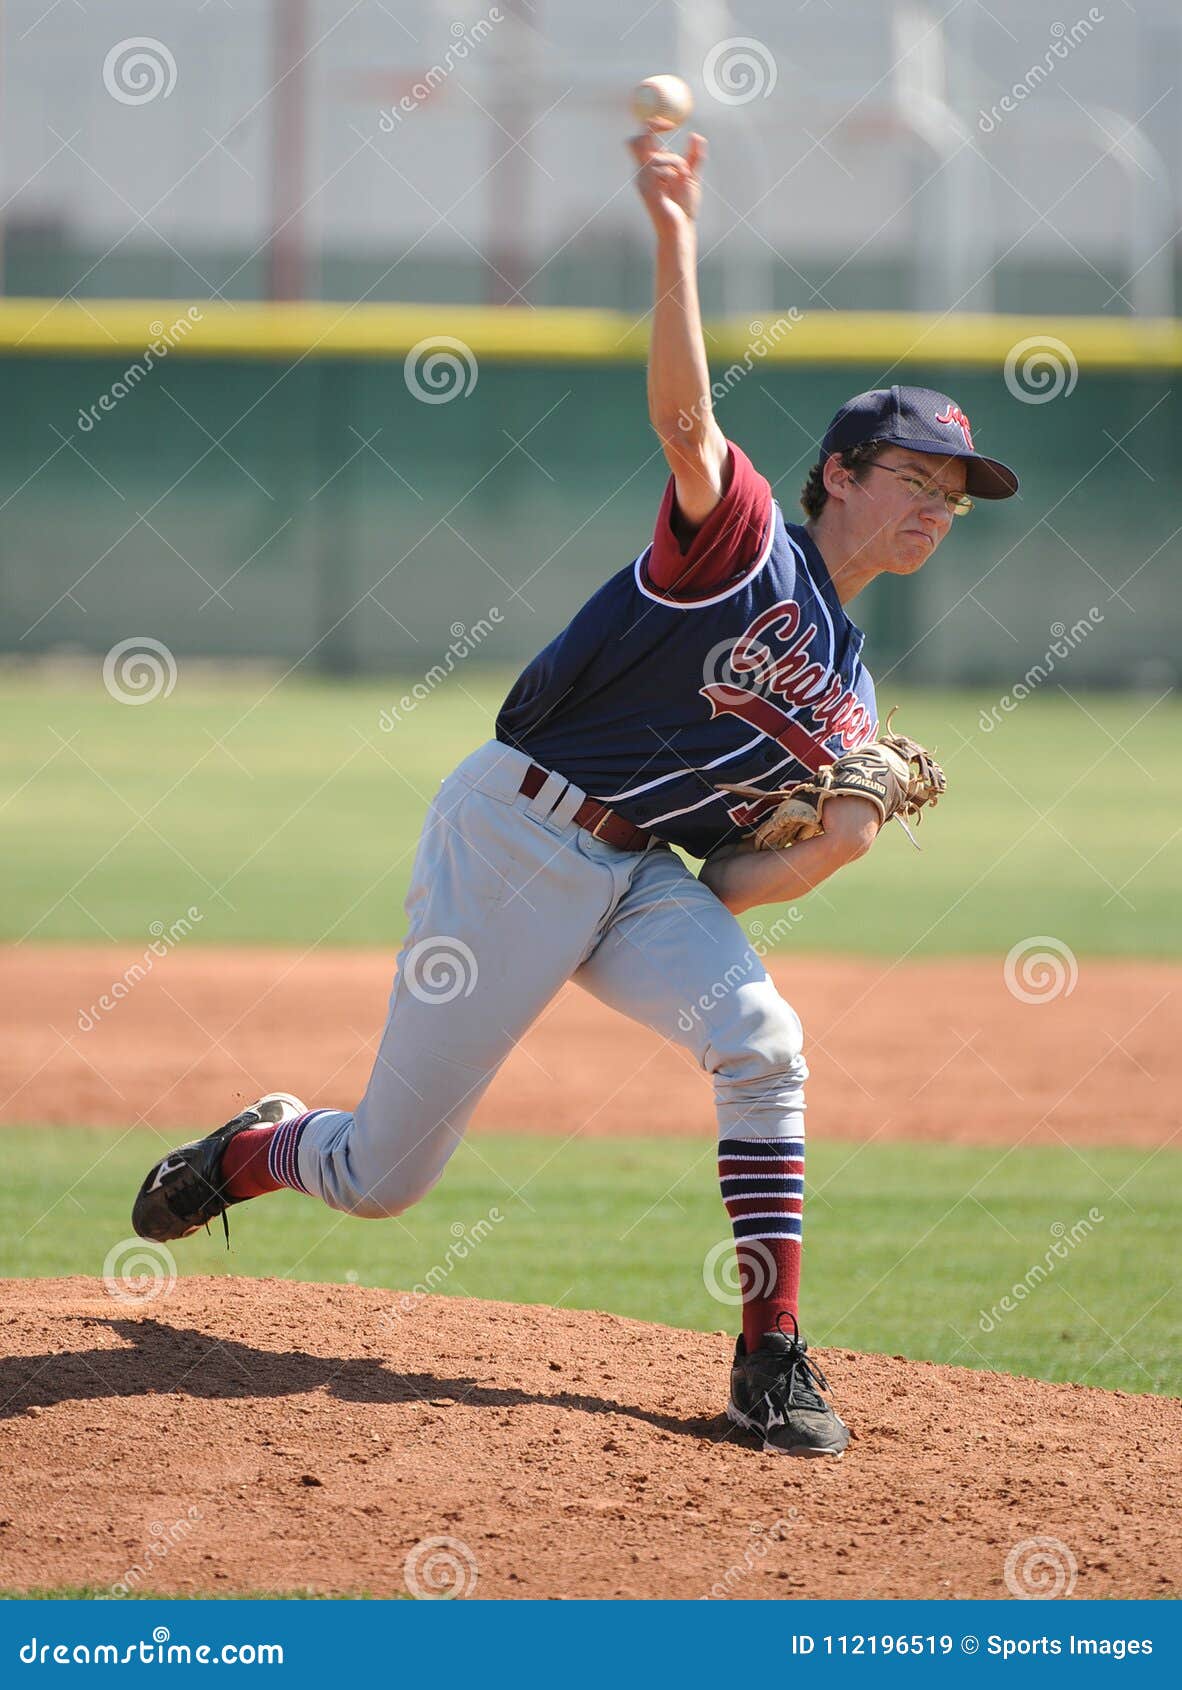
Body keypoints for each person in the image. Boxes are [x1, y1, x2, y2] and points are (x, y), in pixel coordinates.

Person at [132, 129, 1017, 1459]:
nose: (935, 509)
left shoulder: (852, 694)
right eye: (916, 479)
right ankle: (261, 1147)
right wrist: (672, 228)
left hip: (633, 878)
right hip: (511, 835)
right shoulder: (743, 542)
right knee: (382, 1177)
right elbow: (683, 420)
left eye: (953, 498)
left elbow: (731, 881)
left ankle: (767, 1356)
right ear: (840, 472)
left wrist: (844, 831)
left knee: (764, 1043)